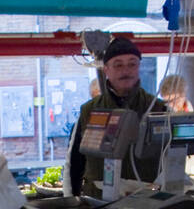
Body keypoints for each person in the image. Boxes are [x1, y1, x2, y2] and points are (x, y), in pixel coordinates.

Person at [68, 37, 168, 196]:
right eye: (118, 65)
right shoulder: (89, 111)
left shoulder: (159, 109)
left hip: (146, 202)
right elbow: (74, 163)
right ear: (106, 70)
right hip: (98, 201)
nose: (126, 71)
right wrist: (73, 199)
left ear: (139, 67)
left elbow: (172, 159)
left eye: (132, 64)